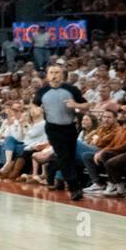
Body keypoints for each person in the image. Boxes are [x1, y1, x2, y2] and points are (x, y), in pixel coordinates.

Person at [34, 62, 87, 202]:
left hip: (70, 127)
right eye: (51, 72)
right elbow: (34, 104)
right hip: (53, 128)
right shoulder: (42, 91)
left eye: (57, 72)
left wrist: (76, 105)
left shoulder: (71, 89)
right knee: (65, 157)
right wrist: (35, 109)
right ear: (47, 75)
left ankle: (52, 166)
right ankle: (74, 188)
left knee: (68, 156)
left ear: (62, 75)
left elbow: (87, 105)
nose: (54, 75)